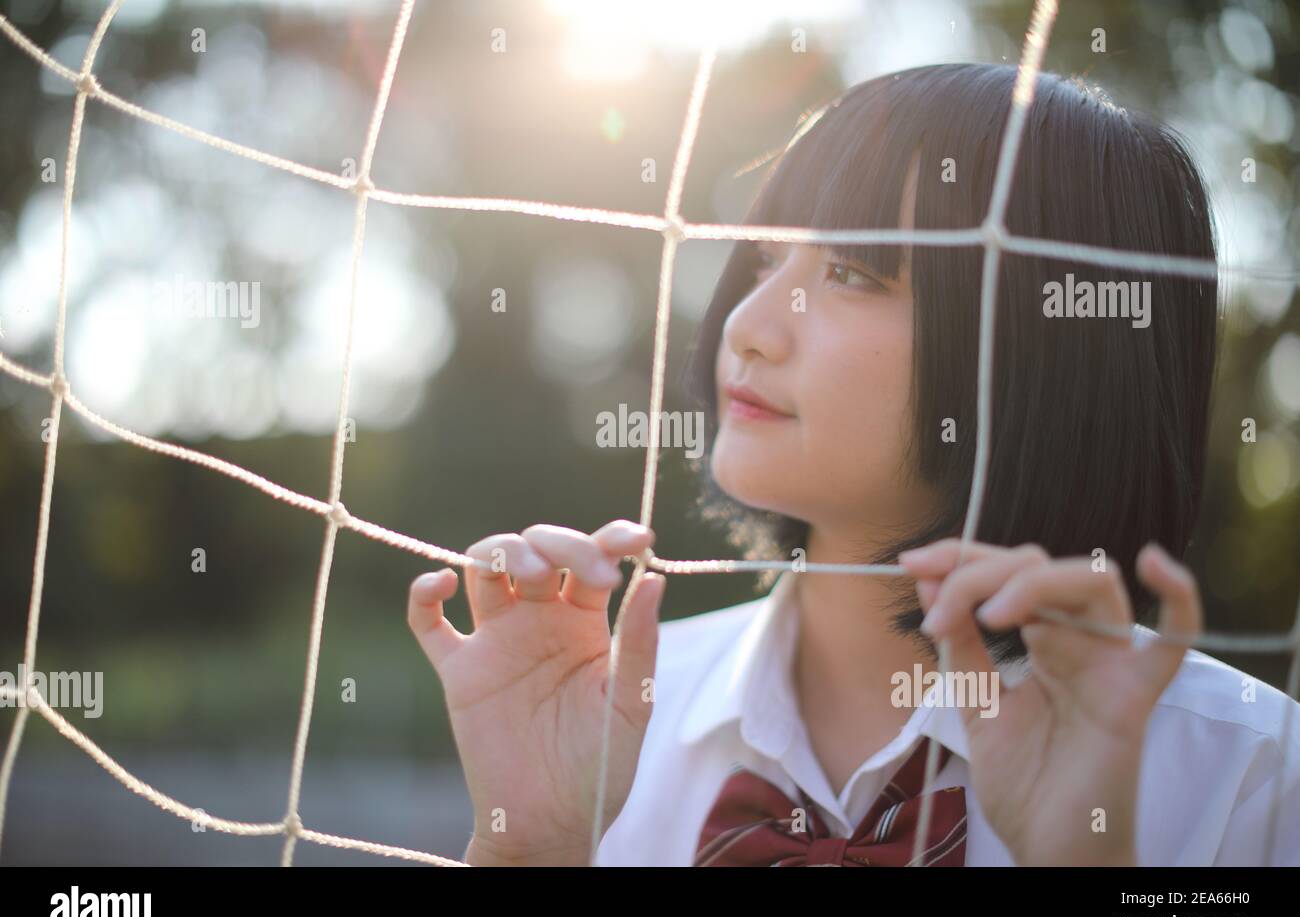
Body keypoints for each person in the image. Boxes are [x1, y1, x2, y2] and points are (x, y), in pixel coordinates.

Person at [404, 63, 1300, 866]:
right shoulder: (615, 715)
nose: (747, 326)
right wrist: (534, 852)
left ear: (1045, 349)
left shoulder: (1252, 775)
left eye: (854, 274)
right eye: (764, 258)